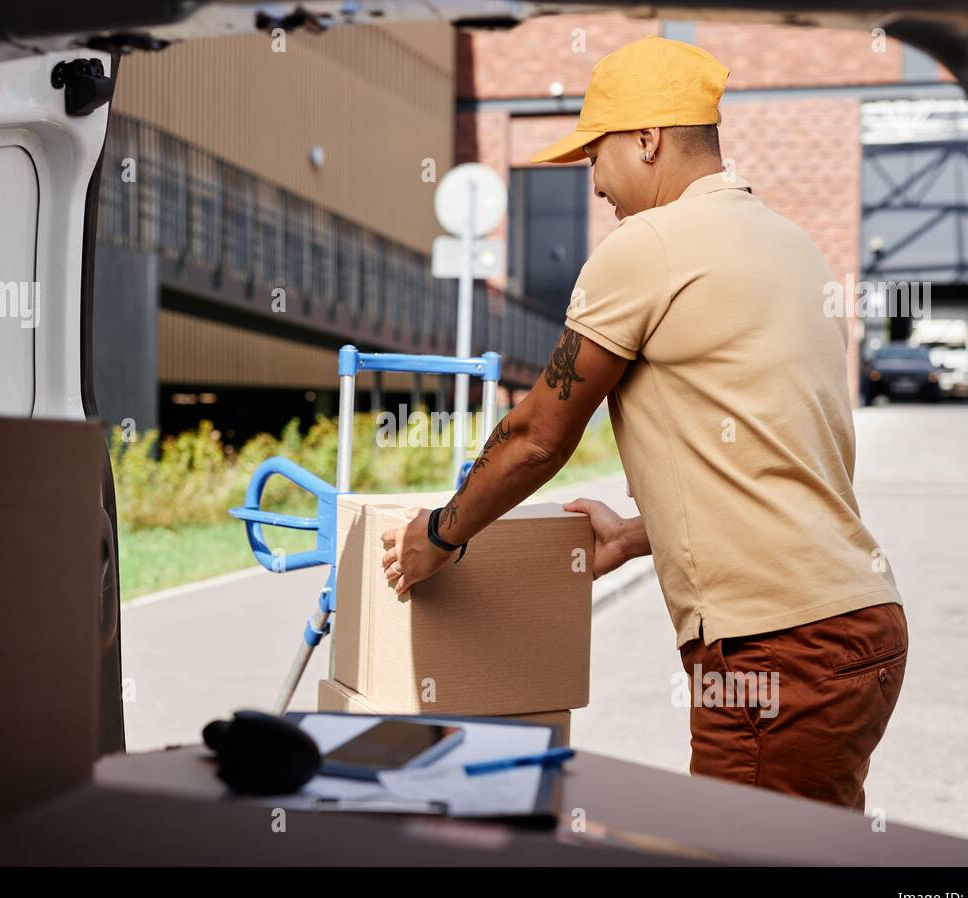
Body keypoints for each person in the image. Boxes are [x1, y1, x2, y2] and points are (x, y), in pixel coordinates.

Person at [379, 36, 906, 810]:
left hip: (777, 651)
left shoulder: (649, 246)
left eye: (597, 154)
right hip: (860, 631)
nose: (595, 183)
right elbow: (777, 460)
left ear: (648, 140)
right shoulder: (793, 249)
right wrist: (635, 534)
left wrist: (439, 534)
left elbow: (537, 435)